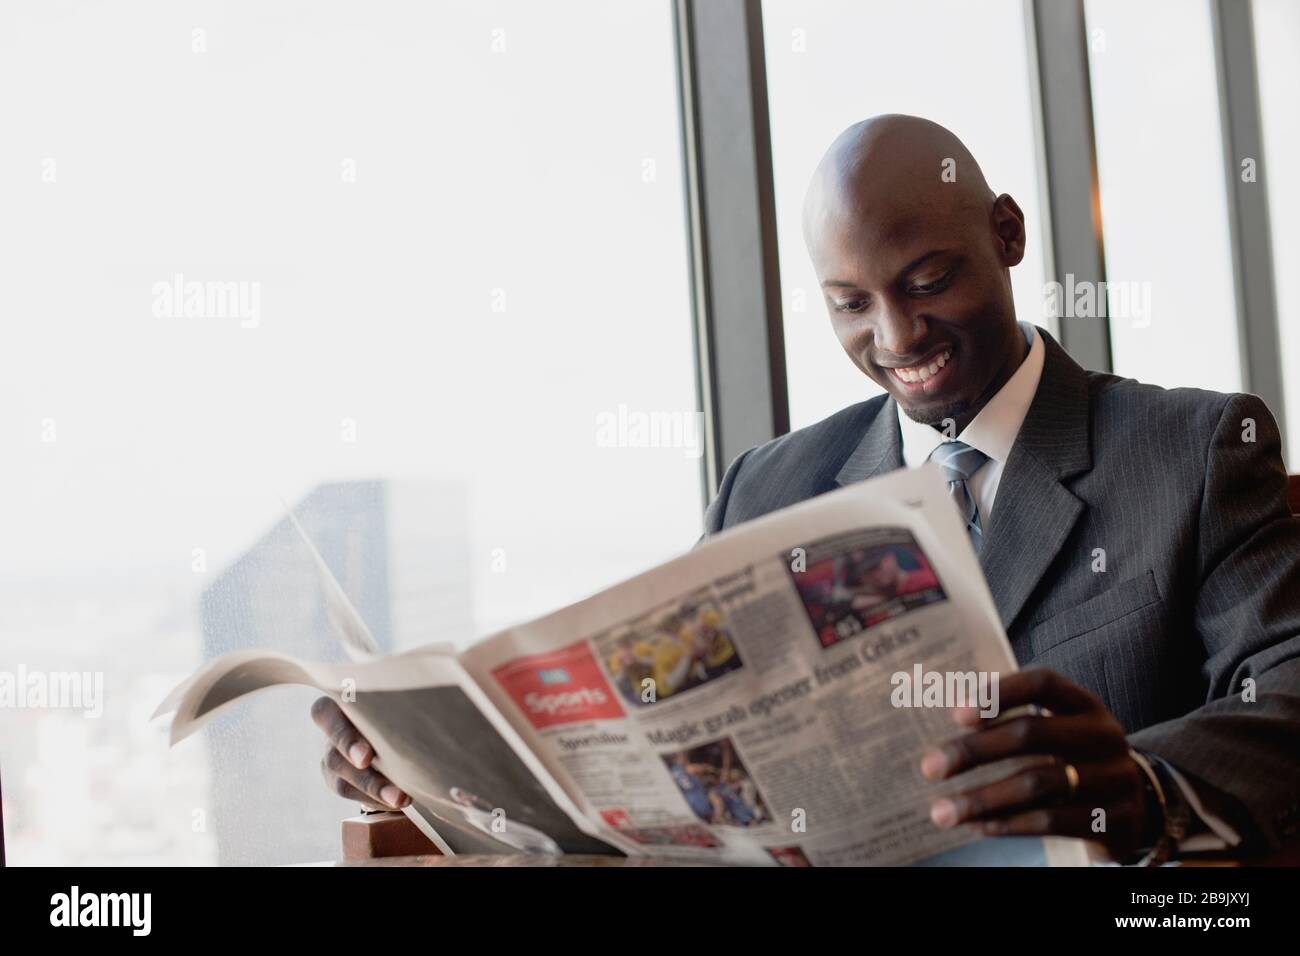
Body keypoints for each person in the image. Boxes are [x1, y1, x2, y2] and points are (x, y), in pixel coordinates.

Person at [313, 113, 1300, 864]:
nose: (897, 336)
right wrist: (425, 772)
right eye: (850, 303)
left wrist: (1141, 786)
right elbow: (660, 751)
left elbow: (1287, 697)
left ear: (1007, 233)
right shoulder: (766, 488)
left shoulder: (1191, 449)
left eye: (925, 280)